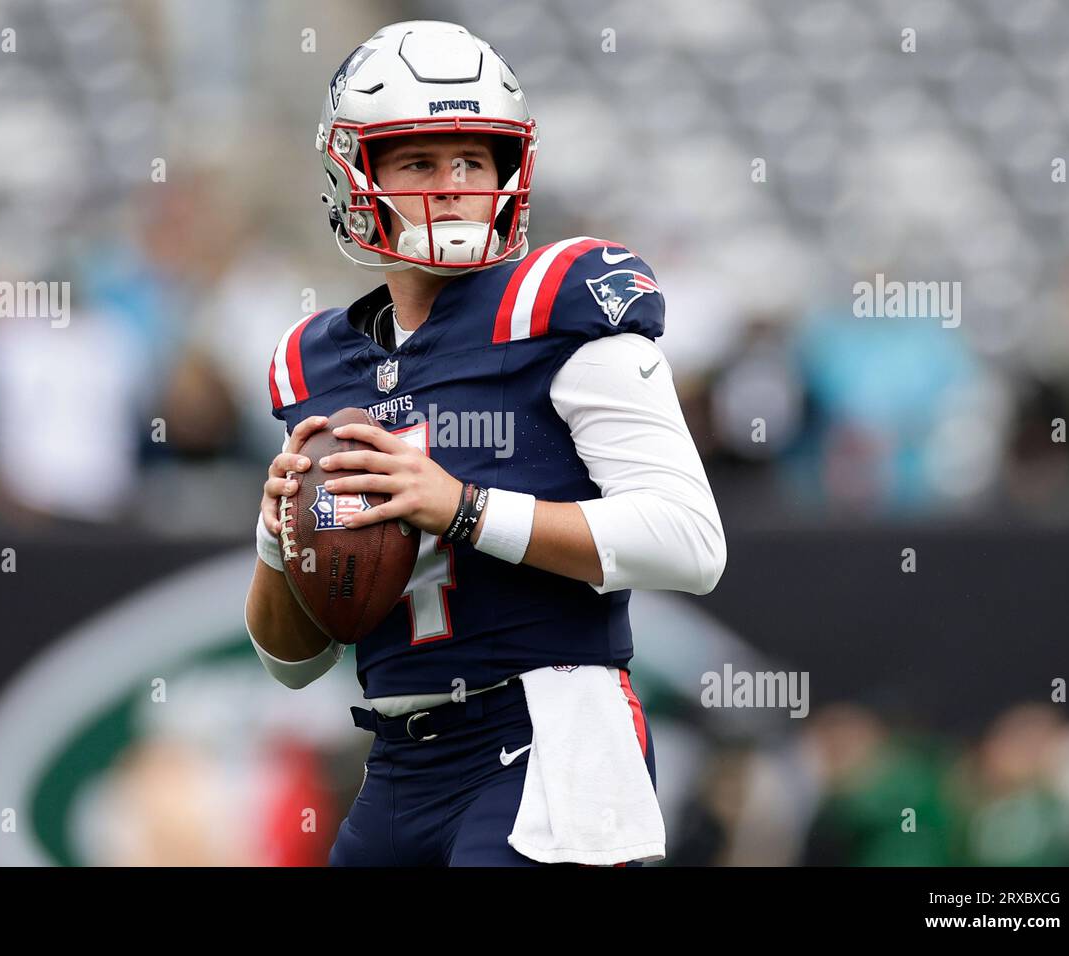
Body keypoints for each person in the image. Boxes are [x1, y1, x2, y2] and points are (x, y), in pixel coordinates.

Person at [244, 21, 726, 867]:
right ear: (357, 174)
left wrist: (466, 511)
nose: (453, 186)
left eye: (472, 160)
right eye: (418, 162)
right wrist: (278, 539)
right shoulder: (316, 362)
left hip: (547, 733)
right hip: (397, 761)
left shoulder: (560, 302)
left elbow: (692, 544)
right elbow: (293, 664)